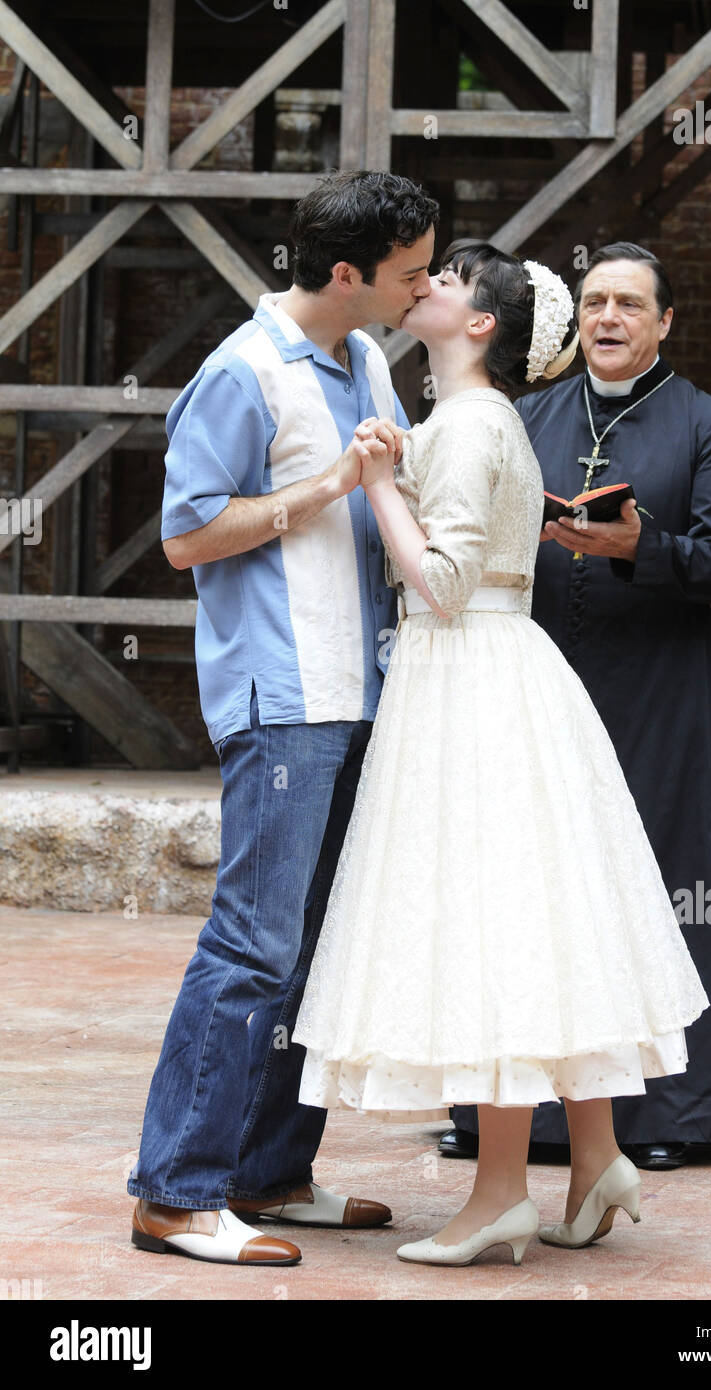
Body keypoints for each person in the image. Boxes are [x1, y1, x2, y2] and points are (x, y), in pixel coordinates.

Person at [292, 239, 710, 1267]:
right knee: (536, 914)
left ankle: (494, 1199)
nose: (423, 285)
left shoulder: (473, 426)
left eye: (445, 282)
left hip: (468, 669)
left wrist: (377, 482)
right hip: (490, 669)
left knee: (487, 920)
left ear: (480, 323)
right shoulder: (474, 419)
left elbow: (438, 582)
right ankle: (596, 1154)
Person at [126, 171, 440, 1267]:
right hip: (285, 697)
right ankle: (176, 1191)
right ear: (347, 274)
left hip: (362, 687)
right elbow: (186, 536)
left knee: (312, 948)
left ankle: (268, 1173)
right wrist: (324, 488)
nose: (423, 287)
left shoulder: (363, 356)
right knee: (252, 946)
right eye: (409, 273)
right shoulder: (241, 371)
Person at [447, 242, 711, 1170]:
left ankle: (676, 1115)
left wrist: (640, 545)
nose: (608, 319)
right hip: (540, 681)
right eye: (594, 302)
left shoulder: (707, 425)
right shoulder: (527, 413)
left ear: (664, 322)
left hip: (660, 696)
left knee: (665, 892)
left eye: (629, 304)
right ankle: (504, 1117)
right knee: (530, 890)